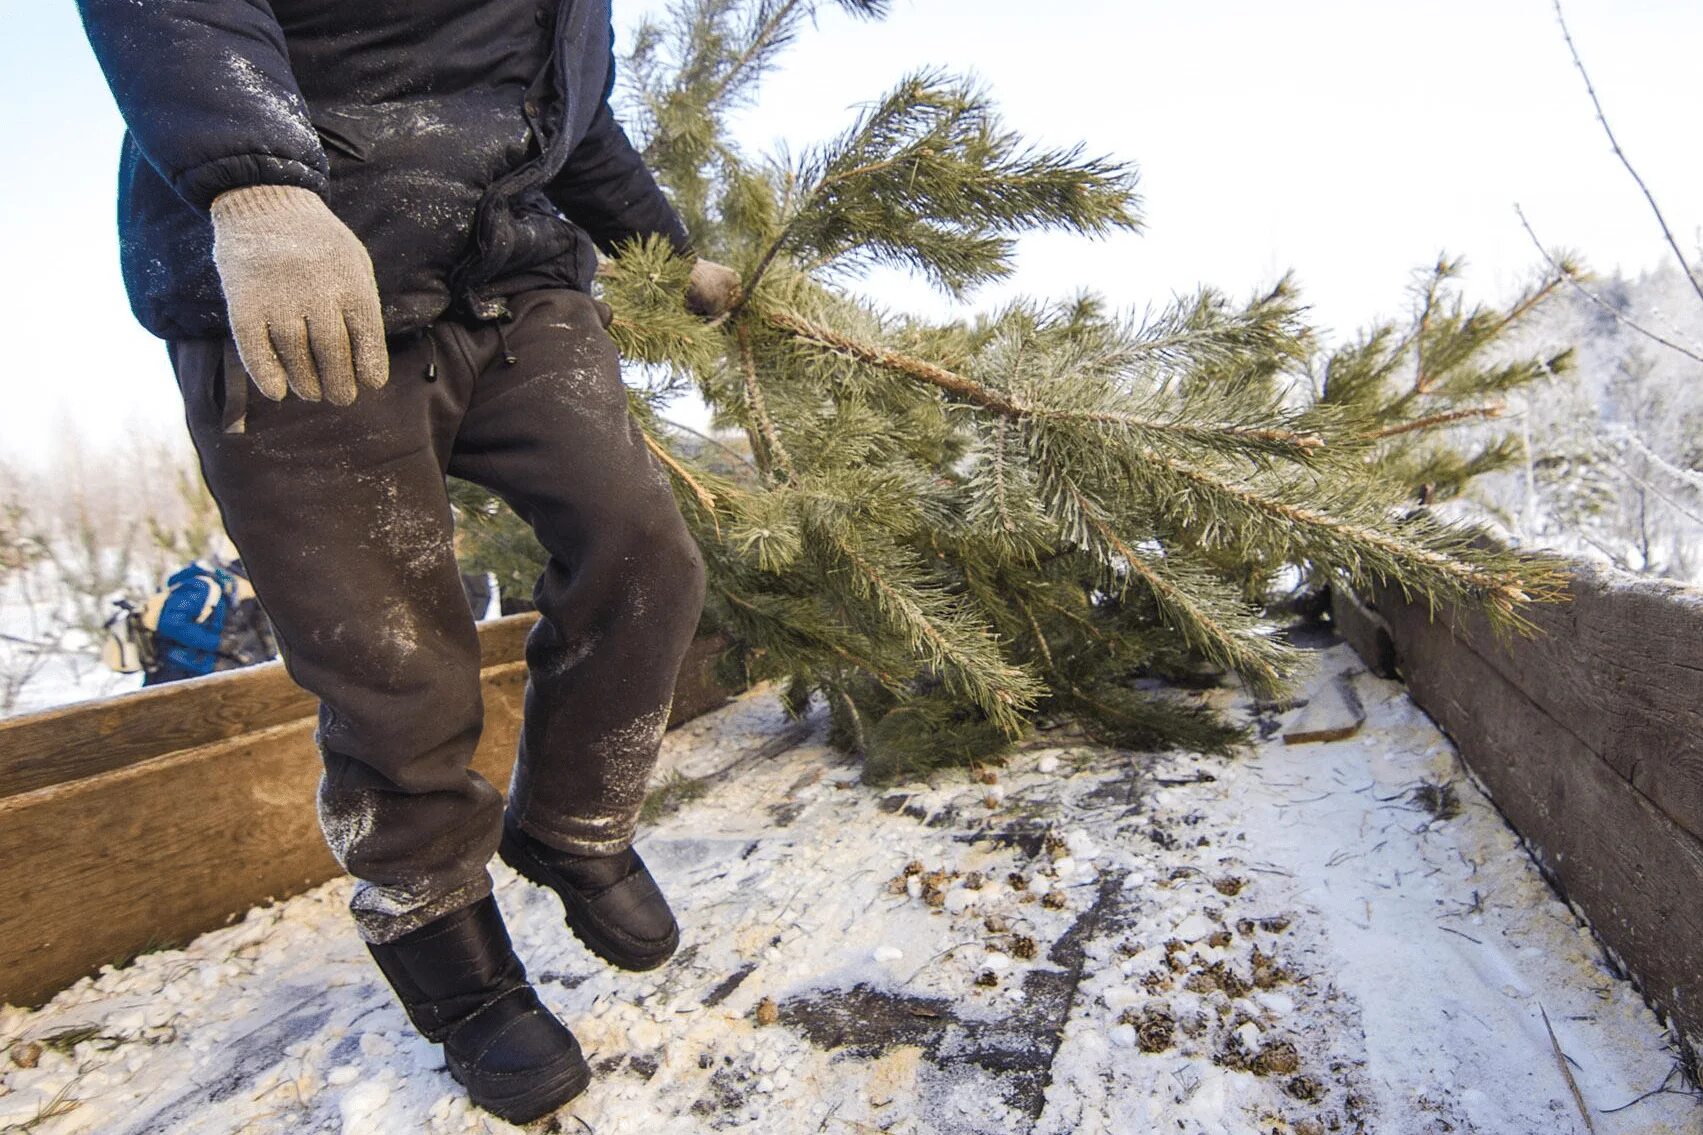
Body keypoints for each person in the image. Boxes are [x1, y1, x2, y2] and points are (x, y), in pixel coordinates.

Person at [76, 0, 736, 1121]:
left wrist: (663, 249)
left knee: (644, 551)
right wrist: (254, 185)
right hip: (308, 280)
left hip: (512, 270)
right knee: (390, 657)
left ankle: (571, 826)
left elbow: (566, 112)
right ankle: (449, 953)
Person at [142, 553, 278, 686]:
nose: (253, 594)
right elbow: (171, 623)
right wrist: (218, 643)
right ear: (242, 578)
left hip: (193, 670)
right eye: (253, 587)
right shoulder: (200, 588)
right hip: (172, 673)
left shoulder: (229, 598)